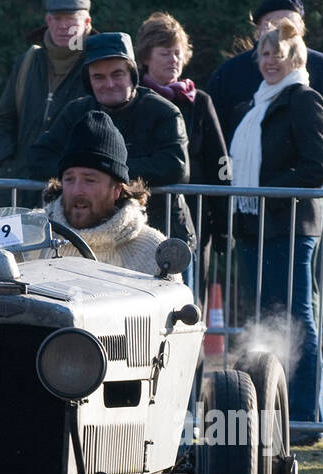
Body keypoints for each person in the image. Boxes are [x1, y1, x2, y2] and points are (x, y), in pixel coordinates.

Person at [227, 17, 323, 439]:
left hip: (291, 226)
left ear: (294, 57)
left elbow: (317, 168)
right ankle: (270, 408)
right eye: (264, 54)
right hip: (254, 226)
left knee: (296, 316)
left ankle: (306, 414)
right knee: (263, 318)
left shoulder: (305, 101)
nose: (269, 61)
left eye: (277, 54)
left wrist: (265, 189)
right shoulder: (254, 106)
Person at [27, 32, 194, 248]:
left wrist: (107, 172)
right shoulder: (75, 111)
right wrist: (83, 172)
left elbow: (176, 166)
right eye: (98, 77)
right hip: (92, 237)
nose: (109, 84)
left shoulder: (164, 111)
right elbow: (38, 158)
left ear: (132, 75)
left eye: (117, 74)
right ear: (88, 81)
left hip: (162, 234)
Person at [205, 0, 323, 169]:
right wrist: (221, 181)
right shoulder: (230, 73)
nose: (280, 34)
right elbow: (210, 130)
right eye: (273, 25)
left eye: (288, 26)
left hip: (300, 190)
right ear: (258, 30)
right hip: (241, 185)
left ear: (300, 29)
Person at [134, 13, 227, 284]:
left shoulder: (200, 102)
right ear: (146, 56)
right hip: (140, 219)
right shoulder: (131, 99)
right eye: (165, 53)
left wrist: (223, 225)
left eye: (178, 53)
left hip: (193, 221)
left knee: (191, 299)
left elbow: (219, 164)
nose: (174, 60)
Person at [0, 0, 93, 201]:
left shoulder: (99, 66)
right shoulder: (27, 61)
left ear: (87, 21)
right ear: (47, 20)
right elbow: (3, 118)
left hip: (72, 193)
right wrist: (7, 163)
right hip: (17, 187)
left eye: (70, 18)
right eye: (56, 18)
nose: (63, 25)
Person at [42, 110, 168, 276]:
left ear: (116, 190)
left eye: (90, 180)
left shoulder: (154, 252)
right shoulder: (33, 238)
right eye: (69, 179)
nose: (77, 190)